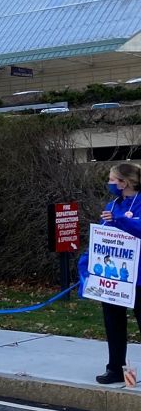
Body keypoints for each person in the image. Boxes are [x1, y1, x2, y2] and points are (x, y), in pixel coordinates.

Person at [84, 163, 141, 384]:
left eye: (112, 179)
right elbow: (102, 235)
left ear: (124, 183)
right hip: (114, 277)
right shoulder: (114, 204)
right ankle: (115, 368)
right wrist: (87, 262)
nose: (109, 183)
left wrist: (121, 221)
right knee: (113, 322)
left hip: (138, 277)